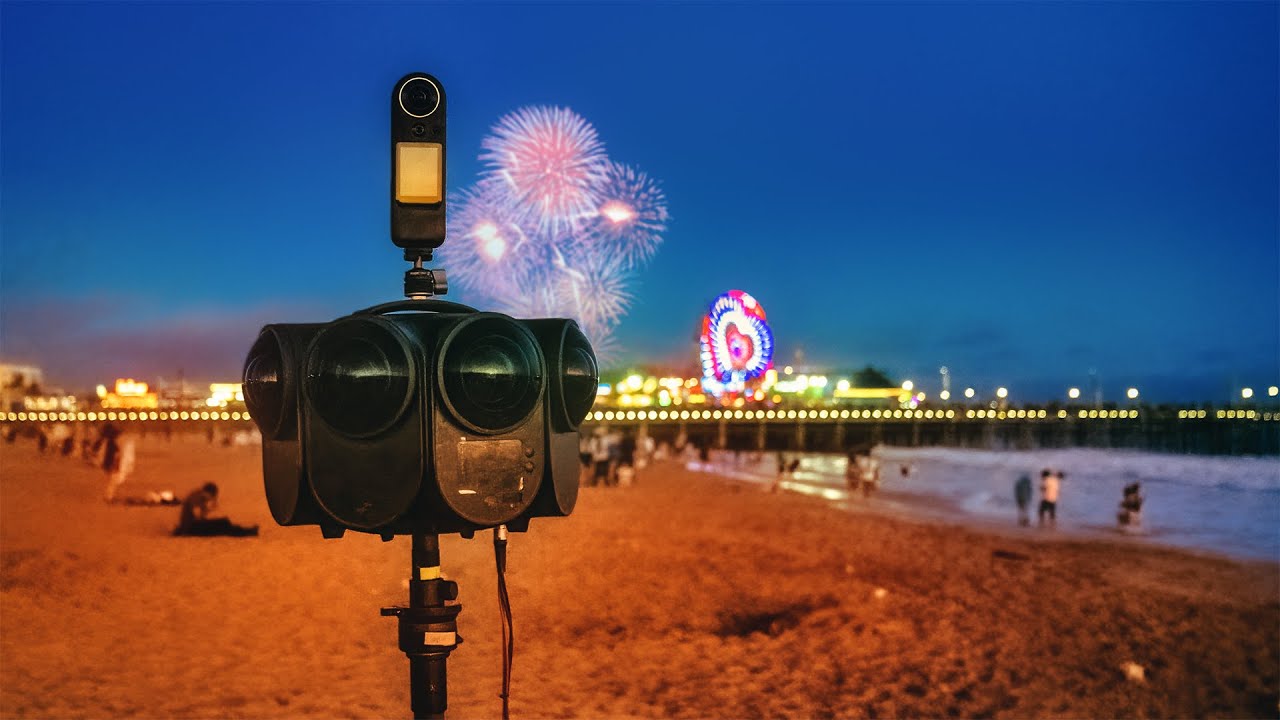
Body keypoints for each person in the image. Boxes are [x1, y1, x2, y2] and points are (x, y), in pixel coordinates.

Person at [173, 482, 258, 537]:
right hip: (191, 528)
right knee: (224, 524)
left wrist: (208, 509)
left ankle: (248, 531)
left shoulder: (199, 497)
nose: (211, 499)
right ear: (207, 493)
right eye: (212, 496)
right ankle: (249, 532)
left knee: (225, 524)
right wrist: (210, 509)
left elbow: (199, 517)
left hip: (191, 527)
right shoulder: (196, 498)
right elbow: (198, 517)